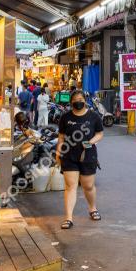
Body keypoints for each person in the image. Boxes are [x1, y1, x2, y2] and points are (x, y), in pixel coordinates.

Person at [57, 90, 105, 229]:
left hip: (88, 155)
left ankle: (92, 208)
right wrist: (58, 152)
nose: (78, 102)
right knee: (70, 186)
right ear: (71, 102)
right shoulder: (65, 117)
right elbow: (61, 136)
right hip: (68, 155)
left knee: (88, 186)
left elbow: (100, 133)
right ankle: (68, 218)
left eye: (80, 99)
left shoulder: (93, 116)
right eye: (75, 100)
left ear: (85, 101)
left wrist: (90, 142)